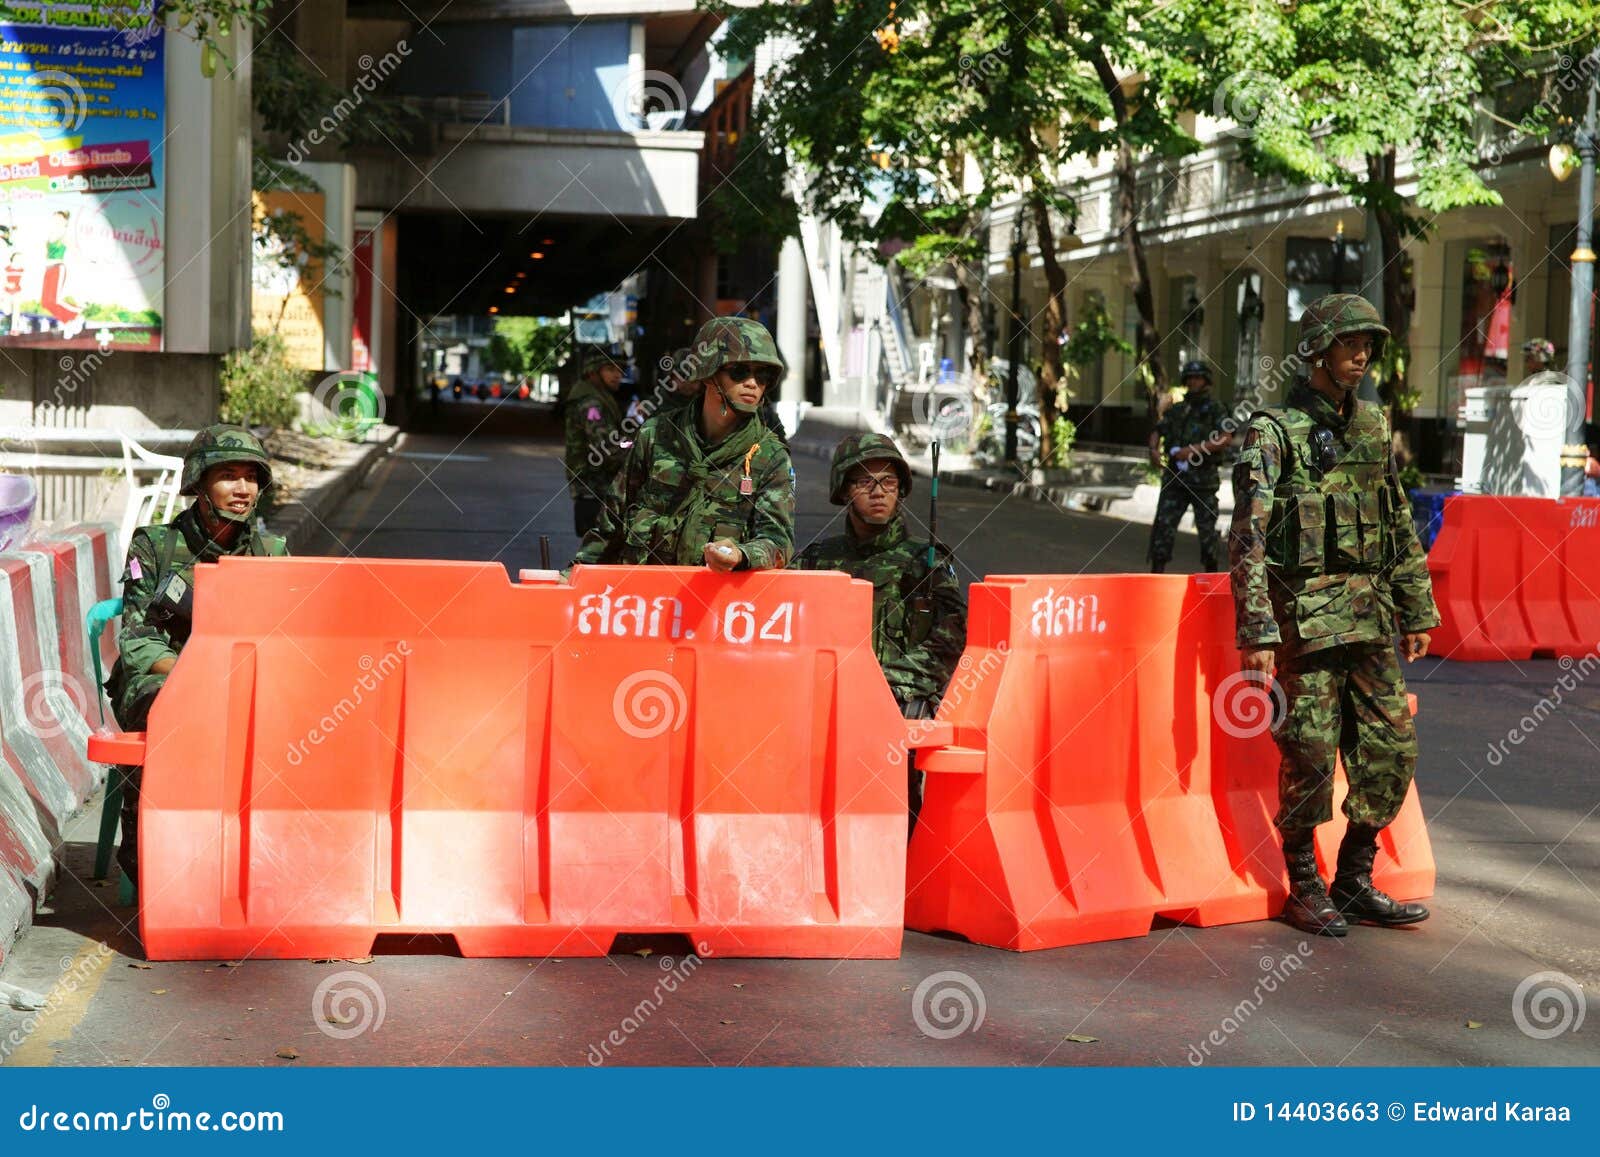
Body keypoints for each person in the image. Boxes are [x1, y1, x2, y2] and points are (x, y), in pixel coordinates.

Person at [1229, 293, 1439, 938]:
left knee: (1390, 753)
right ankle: (1304, 885)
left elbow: (1397, 519)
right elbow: (1247, 538)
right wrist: (1258, 630)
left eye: (1369, 345)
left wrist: (1415, 606)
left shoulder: (1373, 426)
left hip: (1370, 620)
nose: (1362, 355)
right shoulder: (1273, 429)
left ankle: (1353, 879)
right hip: (1306, 627)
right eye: (1350, 343)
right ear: (1317, 350)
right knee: (1311, 756)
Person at [104, 425, 289, 882]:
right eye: (228, 475)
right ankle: (148, 844)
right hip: (166, 679)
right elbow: (138, 641)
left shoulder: (272, 553)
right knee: (164, 706)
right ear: (199, 484)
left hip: (245, 682)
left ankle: (265, 853)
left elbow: (287, 638)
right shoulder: (154, 545)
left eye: (251, 477)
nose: (243, 489)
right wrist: (199, 678)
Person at [794, 434, 966, 832]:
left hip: (896, 711)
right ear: (843, 490)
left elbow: (954, 633)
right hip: (827, 710)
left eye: (888, 482)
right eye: (864, 482)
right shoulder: (817, 560)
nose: (878, 493)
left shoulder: (926, 560)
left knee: (895, 817)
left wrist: (895, 683)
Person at [571, 317, 794, 571]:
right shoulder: (655, 436)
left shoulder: (769, 456)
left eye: (763, 375)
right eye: (739, 372)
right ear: (709, 374)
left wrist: (743, 555)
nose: (753, 383)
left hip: (717, 604)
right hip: (646, 601)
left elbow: (778, 542)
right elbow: (610, 526)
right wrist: (576, 577)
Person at [1148, 360, 1231, 573]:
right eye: (1190, 378)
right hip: (1175, 479)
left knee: (1207, 533)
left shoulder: (1215, 408)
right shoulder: (1178, 409)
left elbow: (1224, 438)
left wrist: (1194, 450)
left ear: (1206, 380)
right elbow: (1158, 430)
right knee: (1163, 529)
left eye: (1198, 378)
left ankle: (1211, 578)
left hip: (1202, 480)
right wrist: (1154, 450)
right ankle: (1156, 576)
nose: (1193, 382)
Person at [563, 347, 629, 537]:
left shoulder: (600, 398)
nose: (617, 375)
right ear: (593, 372)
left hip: (597, 491)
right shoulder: (591, 404)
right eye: (610, 369)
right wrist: (635, 445)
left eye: (620, 369)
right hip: (594, 491)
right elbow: (608, 448)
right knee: (595, 557)